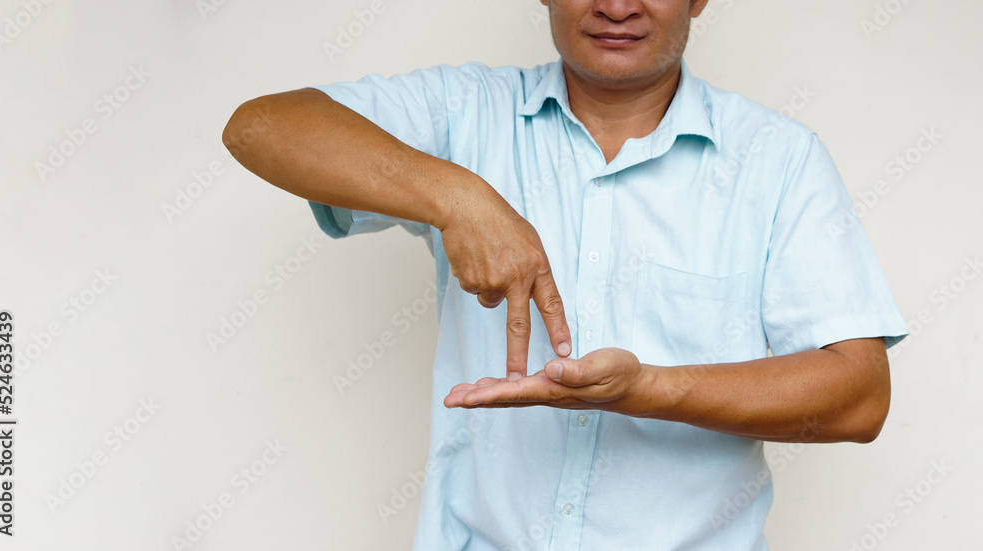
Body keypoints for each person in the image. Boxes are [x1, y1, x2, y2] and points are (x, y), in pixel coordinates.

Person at [223, 0, 908, 548]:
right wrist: (457, 198)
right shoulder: (468, 113)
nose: (616, 6)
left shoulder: (777, 161)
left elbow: (858, 396)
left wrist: (646, 389)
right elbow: (260, 127)